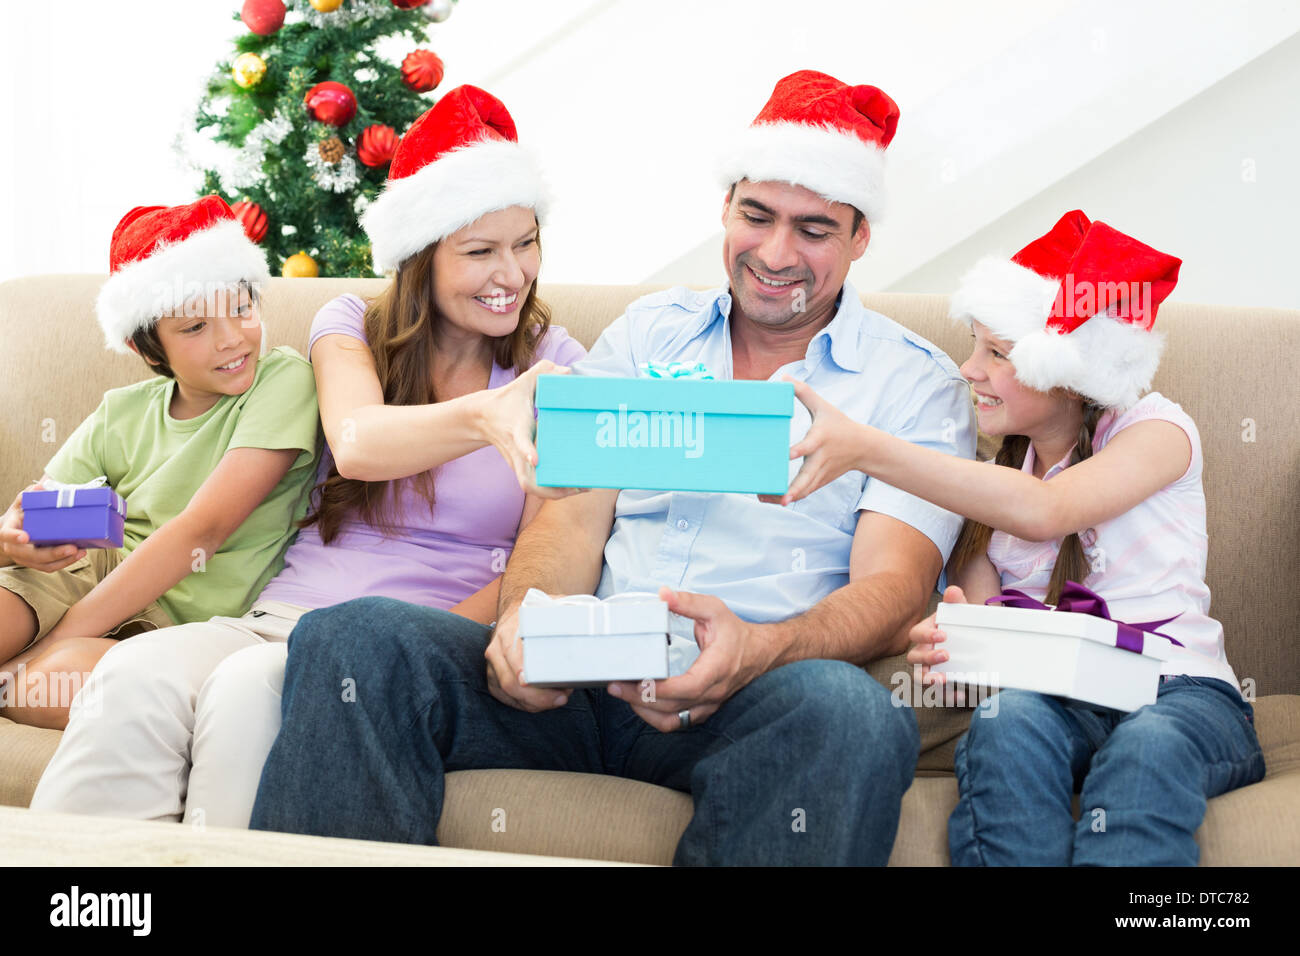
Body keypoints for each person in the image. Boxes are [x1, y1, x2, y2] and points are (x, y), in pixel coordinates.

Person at [247, 70, 978, 866]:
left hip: (752, 690)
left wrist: (761, 651)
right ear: (725, 208)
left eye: (813, 229)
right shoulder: (647, 333)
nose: (775, 253)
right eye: (756, 216)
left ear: (860, 236)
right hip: (580, 678)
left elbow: (895, 584)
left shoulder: (916, 383)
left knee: (854, 713)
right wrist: (526, 620)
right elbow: (566, 512)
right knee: (352, 639)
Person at [30, 85, 586, 826]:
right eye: (480, 250)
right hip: (281, 612)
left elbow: (546, 551)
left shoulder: (560, 367)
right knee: (133, 675)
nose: (512, 273)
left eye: (526, 243)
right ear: (419, 257)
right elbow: (357, 443)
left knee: (245, 695)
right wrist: (487, 416)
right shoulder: (349, 324)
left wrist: (409, 648)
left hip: (408, 641)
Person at [775, 209, 1265, 865]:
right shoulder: (993, 481)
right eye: (974, 345)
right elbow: (986, 631)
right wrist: (960, 652)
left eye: (998, 354)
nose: (970, 369)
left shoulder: (1157, 431)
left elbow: (1046, 510)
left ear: (1071, 374)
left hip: (1180, 693)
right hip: (1063, 700)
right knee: (1006, 726)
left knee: (1148, 749)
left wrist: (867, 448)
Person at [0, 196, 320, 729]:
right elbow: (36, 511)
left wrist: (57, 642)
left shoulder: (284, 380)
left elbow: (202, 530)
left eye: (240, 308)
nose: (231, 338)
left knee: (62, 684)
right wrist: (11, 538)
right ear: (148, 349)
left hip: (174, 621)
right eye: (194, 328)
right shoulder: (121, 412)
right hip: (89, 574)